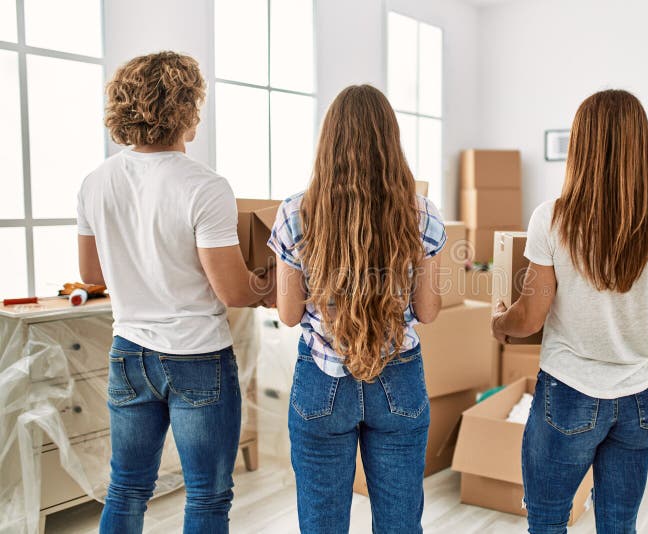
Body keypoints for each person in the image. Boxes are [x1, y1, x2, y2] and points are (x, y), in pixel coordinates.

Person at [77, 51, 273, 534]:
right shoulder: (204, 186)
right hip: (197, 357)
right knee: (207, 496)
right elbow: (233, 291)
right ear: (186, 109)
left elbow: (89, 273)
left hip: (129, 353)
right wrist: (267, 278)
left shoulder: (95, 182)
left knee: (126, 487)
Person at [491, 89, 648, 534]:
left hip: (569, 393)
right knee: (619, 523)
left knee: (548, 520)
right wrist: (639, 327)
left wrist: (499, 323)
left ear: (581, 144)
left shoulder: (553, 219)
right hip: (642, 395)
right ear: (643, 143)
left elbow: (528, 318)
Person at [268, 84, 446, 533]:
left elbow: (288, 314)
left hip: (321, 382)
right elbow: (427, 310)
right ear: (391, 141)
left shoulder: (295, 214)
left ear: (328, 143)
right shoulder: (422, 214)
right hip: (399, 379)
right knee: (400, 525)